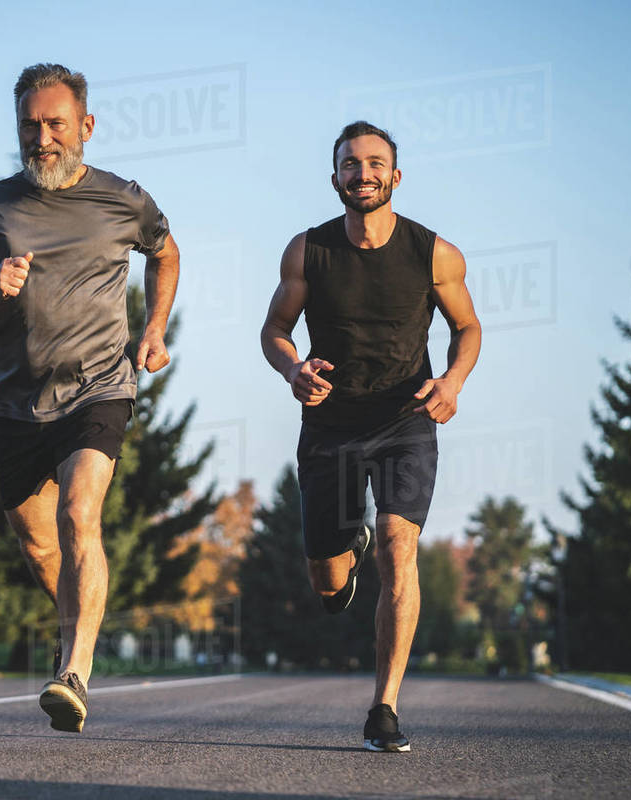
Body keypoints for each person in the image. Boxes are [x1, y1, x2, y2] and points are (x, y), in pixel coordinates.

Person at [0, 63, 179, 734]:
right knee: (40, 547)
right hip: (14, 400)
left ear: (85, 127)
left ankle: (75, 670)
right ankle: (72, 628)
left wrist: (153, 329)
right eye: (29, 125)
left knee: (79, 514)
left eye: (55, 124)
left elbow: (165, 251)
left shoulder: (123, 200)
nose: (41, 138)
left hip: (99, 387)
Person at [259, 121, 481, 752]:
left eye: (375, 163)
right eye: (351, 165)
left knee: (396, 543)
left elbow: (468, 328)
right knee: (328, 584)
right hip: (329, 424)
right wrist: (293, 368)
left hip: (406, 417)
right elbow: (275, 327)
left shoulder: (434, 254)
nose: (363, 174)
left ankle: (384, 706)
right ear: (336, 179)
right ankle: (341, 550)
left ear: (395, 176)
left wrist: (453, 381)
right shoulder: (308, 251)